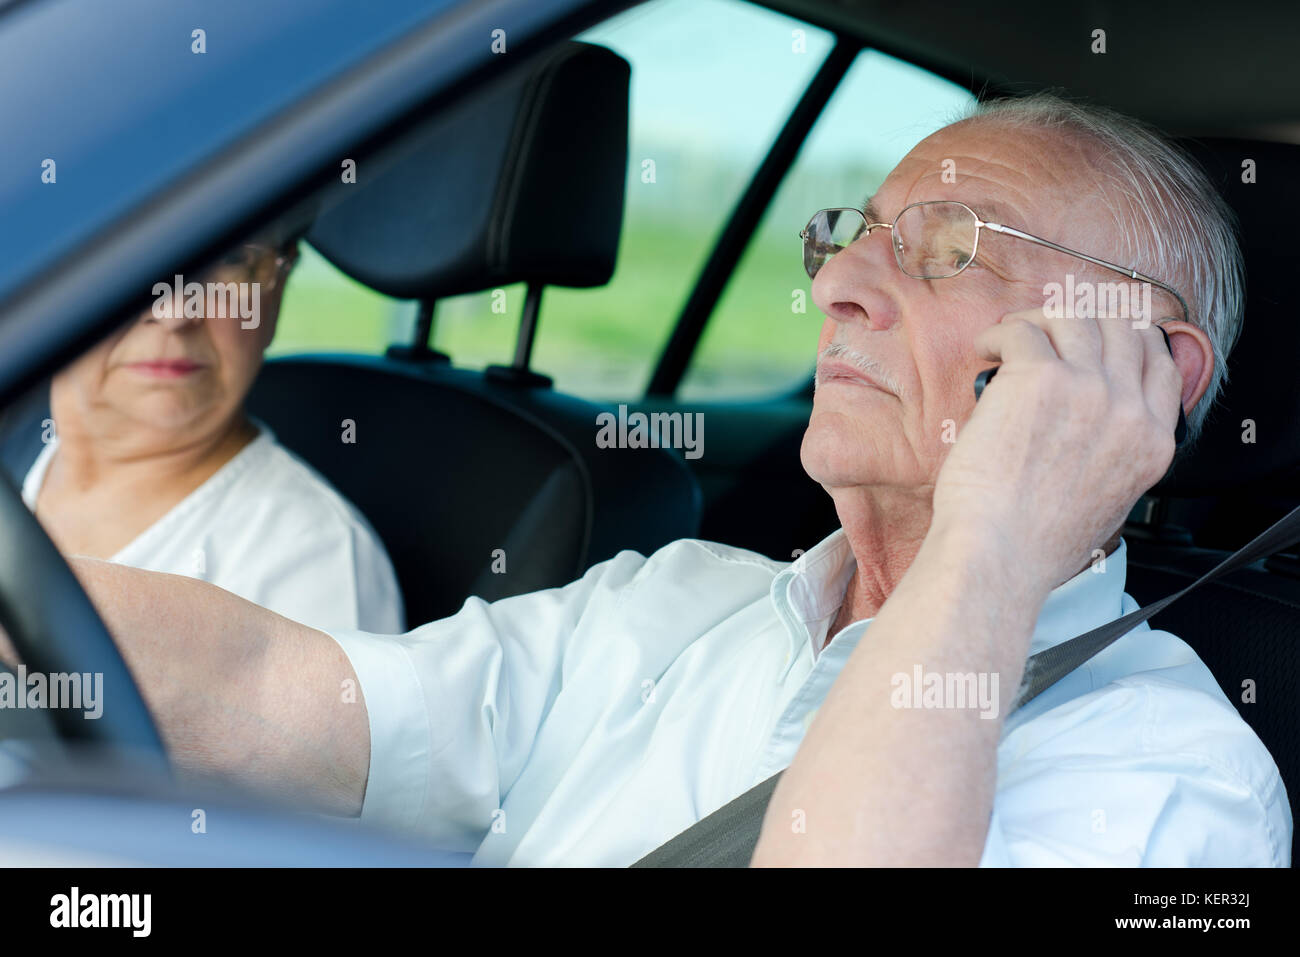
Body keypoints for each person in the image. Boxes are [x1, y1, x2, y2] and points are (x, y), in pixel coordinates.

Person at [0, 93, 1289, 866]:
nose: (836, 282)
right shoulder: (678, 604)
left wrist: (997, 540)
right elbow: (269, 690)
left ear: (1141, 374)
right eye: (849, 237)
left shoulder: (1176, 776)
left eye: (948, 248)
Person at [19, 229, 403, 635]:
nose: (175, 314)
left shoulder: (313, 563)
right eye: (124, 256)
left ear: (281, 282)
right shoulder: (16, 440)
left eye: (231, 260)